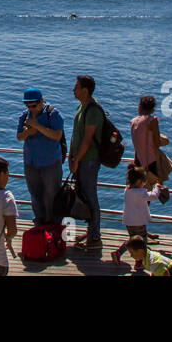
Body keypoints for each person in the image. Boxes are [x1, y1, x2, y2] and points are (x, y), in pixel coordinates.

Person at [16, 87, 65, 224]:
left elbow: (57, 135)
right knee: (35, 194)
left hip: (50, 162)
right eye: (28, 106)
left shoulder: (53, 114)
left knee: (52, 194)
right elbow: (19, 136)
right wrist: (27, 133)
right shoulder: (24, 116)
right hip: (31, 162)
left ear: (42, 101)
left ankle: (53, 223)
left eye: (34, 105)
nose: (31, 109)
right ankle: (40, 221)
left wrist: (37, 127)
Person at [68, 74, 104, 250]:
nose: (73, 90)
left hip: (88, 160)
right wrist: (70, 156)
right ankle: (91, 231)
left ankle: (95, 237)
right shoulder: (81, 107)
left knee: (90, 197)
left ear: (85, 90)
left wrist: (77, 159)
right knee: (83, 195)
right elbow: (76, 134)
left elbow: (87, 139)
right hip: (81, 159)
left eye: (76, 87)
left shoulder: (93, 110)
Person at [111, 164, 166, 263]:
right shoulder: (140, 193)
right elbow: (153, 196)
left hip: (129, 222)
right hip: (139, 222)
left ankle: (118, 252)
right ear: (139, 181)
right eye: (144, 181)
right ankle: (139, 262)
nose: (144, 184)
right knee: (141, 243)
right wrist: (156, 187)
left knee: (133, 240)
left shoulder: (127, 190)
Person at [130, 94, 162, 187]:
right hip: (150, 163)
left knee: (137, 193)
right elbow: (157, 142)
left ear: (140, 106)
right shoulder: (152, 121)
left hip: (137, 160)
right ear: (152, 109)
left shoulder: (133, 122)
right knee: (146, 194)